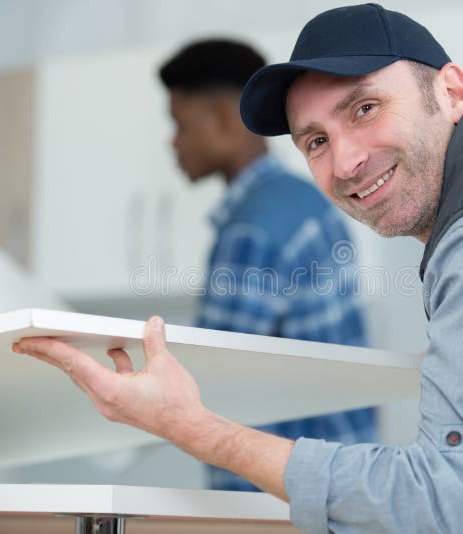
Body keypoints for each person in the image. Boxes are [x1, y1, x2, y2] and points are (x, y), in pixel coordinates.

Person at [13, 4, 463, 533]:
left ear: (451, 90)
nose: (347, 161)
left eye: (365, 108)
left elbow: (439, 507)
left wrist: (186, 425)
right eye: (316, 141)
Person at [156, 39, 375, 491]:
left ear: (219, 118)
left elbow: (216, 394)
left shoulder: (250, 231)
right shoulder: (307, 202)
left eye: (179, 124)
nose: (173, 142)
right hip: (342, 482)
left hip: (273, 499)